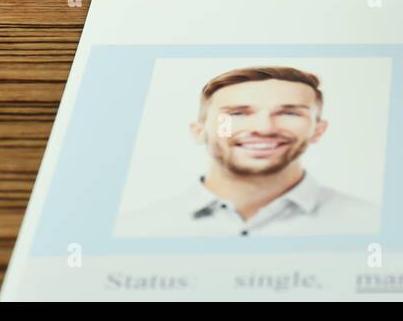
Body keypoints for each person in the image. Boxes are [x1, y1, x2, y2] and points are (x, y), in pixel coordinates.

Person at [118, 66, 379, 236]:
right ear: (199, 131)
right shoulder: (136, 228)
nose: (264, 128)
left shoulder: (370, 224)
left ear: (318, 130)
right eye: (238, 114)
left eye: (289, 113)